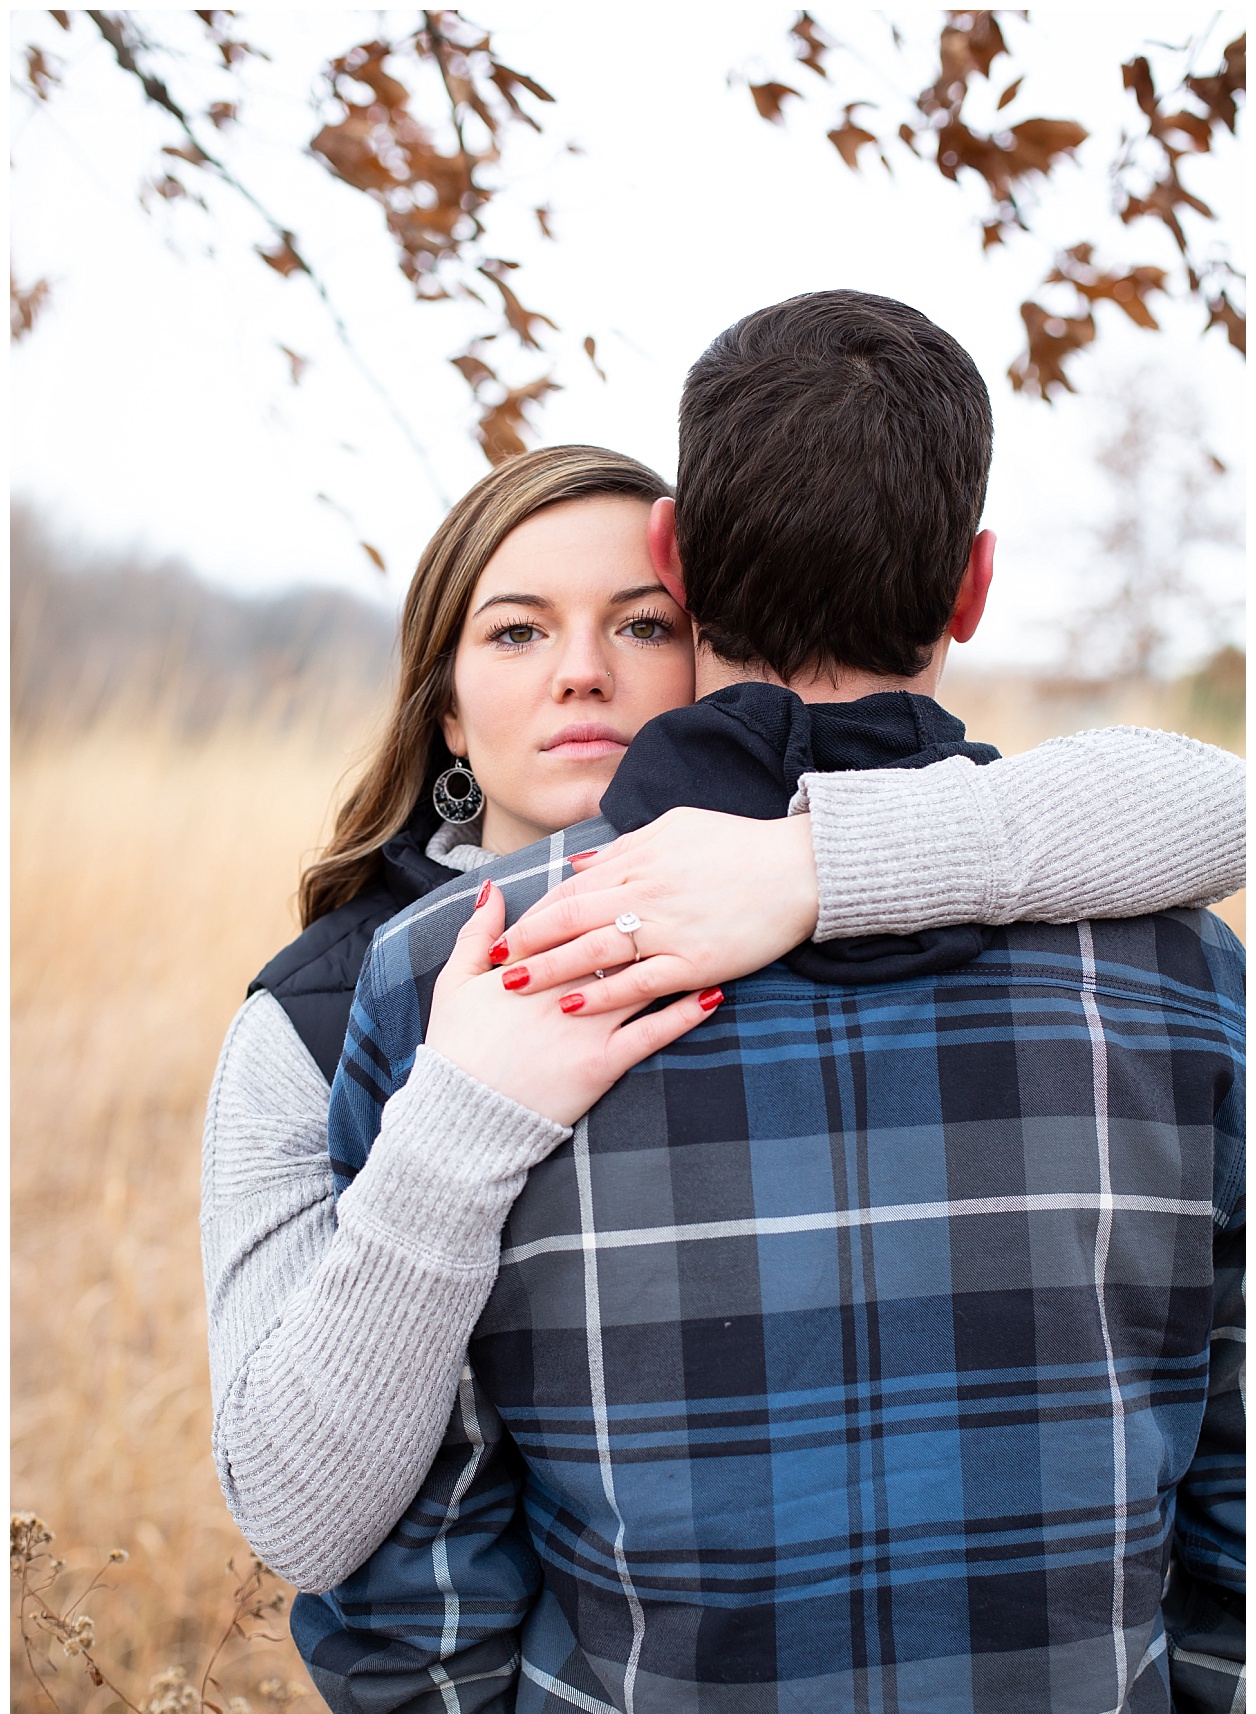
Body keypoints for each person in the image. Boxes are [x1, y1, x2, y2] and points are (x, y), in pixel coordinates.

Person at [298, 291, 1244, 1714]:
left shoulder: (467, 975)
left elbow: (412, 1565)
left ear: (673, 560)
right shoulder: (1189, 985)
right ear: (976, 584)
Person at [201, 444, 1244, 1599]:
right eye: (516, 631)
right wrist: (456, 1116)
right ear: (443, 707)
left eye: (642, 625)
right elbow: (297, 1519)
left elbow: (1214, 807)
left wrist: (812, 863)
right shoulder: (314, 1015)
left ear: (710, 648)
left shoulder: (822, 906)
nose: (583, 671)